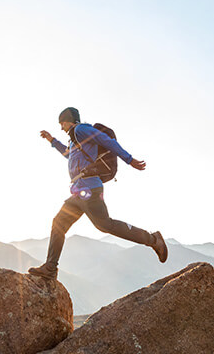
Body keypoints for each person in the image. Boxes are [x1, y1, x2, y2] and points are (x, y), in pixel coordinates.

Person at [28, 107, 168, 280]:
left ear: (68, 120)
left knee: (105, 225)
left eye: (61, 123)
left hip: (89, 189)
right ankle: (50, 268)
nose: (61, 127)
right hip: (79, 192)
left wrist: (129, 159)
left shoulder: (81, 130)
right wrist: (52, 140)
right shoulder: (74, 140)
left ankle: (153, 239)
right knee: (58, 223)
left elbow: (106, 140)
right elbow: (68, 155)